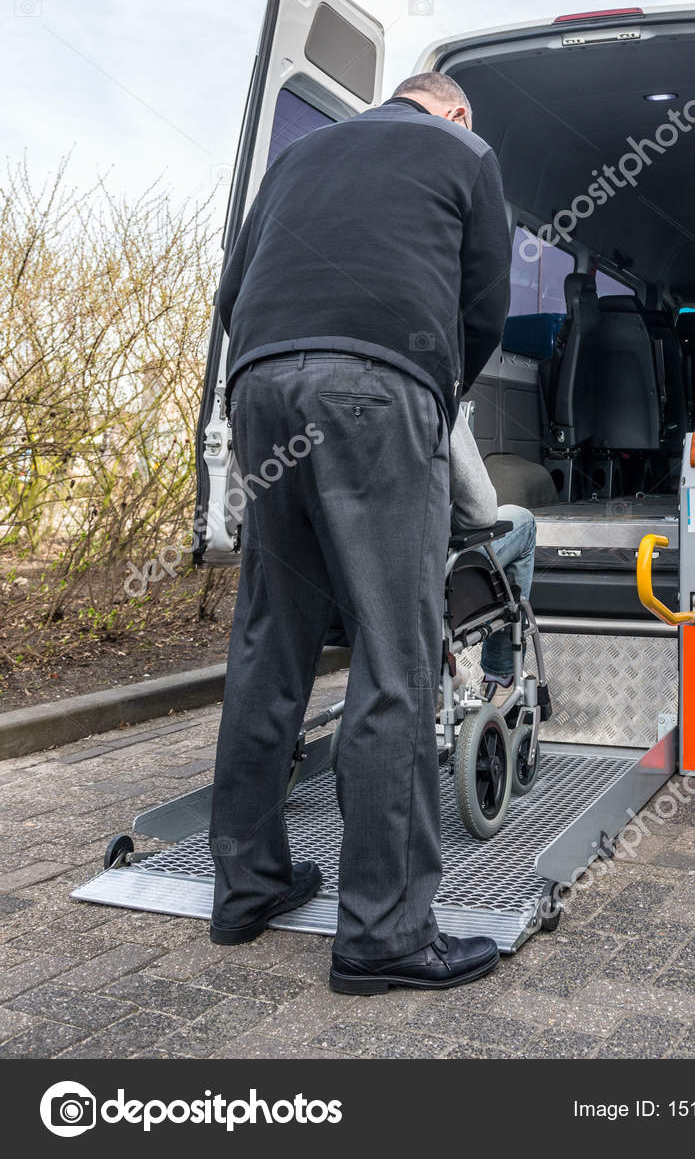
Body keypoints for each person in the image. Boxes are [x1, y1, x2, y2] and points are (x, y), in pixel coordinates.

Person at [208, 71, 511, 997]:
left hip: (260, 386)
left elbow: (231, 293)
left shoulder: (298, 154)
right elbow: (485, 306)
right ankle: (384, 935)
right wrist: (429, 399)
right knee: (396, 655)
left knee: (270, 645)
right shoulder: (466, 152)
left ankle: (247, 890)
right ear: (452, 109)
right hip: (375, 393)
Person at [449, 404, 536, 692]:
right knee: (522, 521)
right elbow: (480, 513)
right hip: (428, 578)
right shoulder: (432, 393)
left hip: (350, 586)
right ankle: (501, 675)